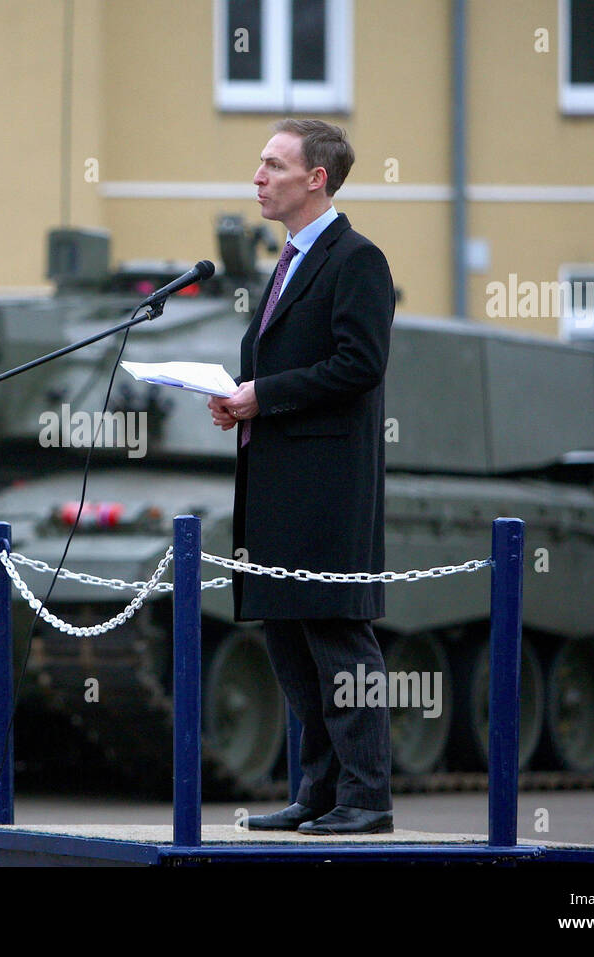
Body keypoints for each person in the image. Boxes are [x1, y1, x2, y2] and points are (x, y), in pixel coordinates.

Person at [207, 119, 396, 835]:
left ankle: (366, 798)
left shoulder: (356, 259)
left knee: (338, 642)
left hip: (327, 493)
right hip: (277, 486)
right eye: (260, 164)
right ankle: (317, 791)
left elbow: (360, 363)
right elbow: (287, 365)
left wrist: (265, 394)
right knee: (290, 645)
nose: (257, 176)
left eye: (273, 164)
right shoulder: (285, 263)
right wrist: (241, 403)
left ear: (316, 178)